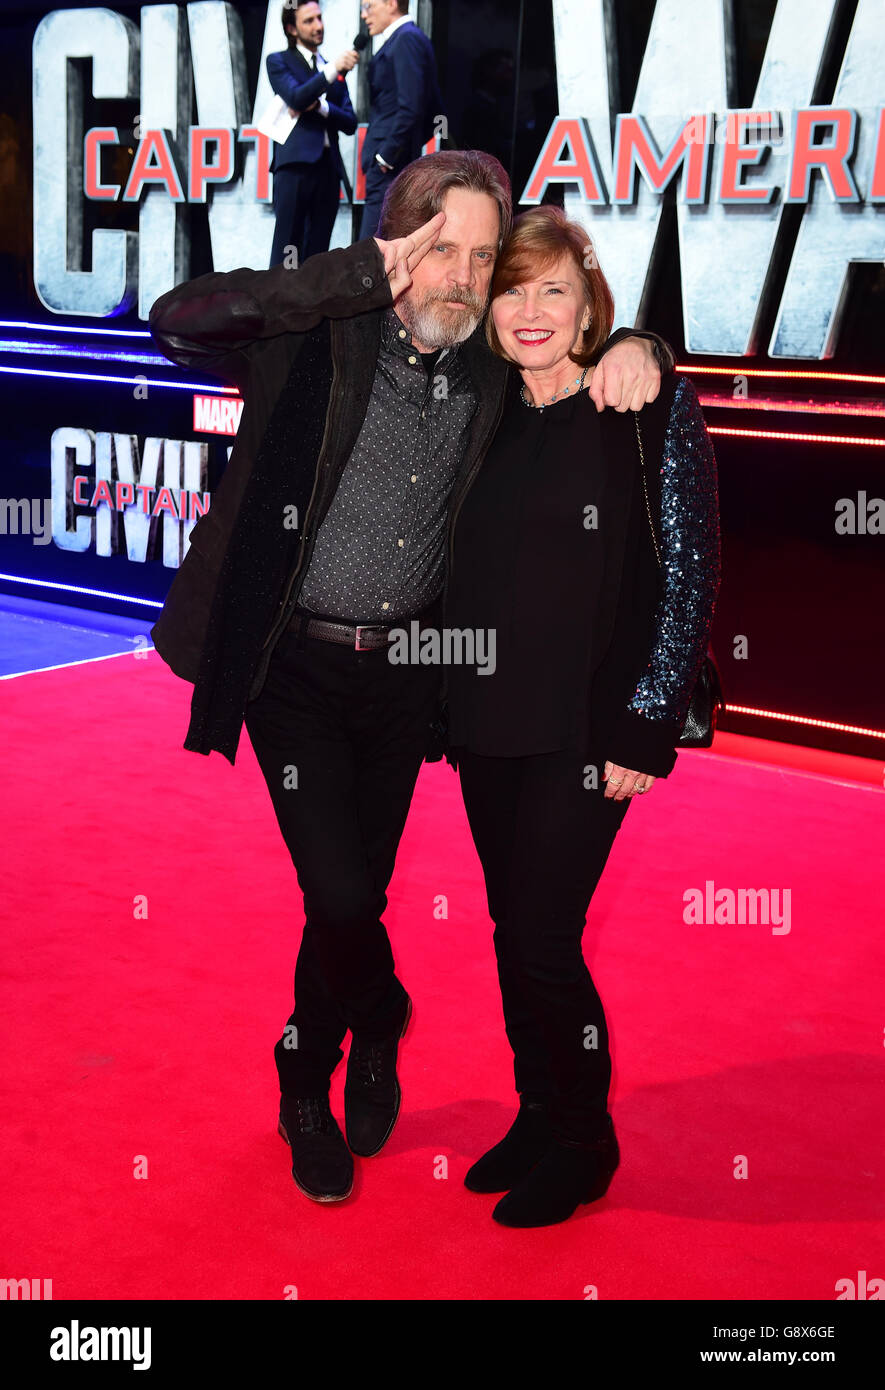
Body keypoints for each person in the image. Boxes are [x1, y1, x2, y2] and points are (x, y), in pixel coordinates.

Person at [147, 150, 673, 1206]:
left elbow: (570, 343)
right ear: (397, 242)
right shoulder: (315, 334)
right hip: (293, 667)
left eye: (482, 257)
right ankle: (339, 1046)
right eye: (444, 251)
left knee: (356, 898)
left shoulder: (487, 366)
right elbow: (178, 319)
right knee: (339, 892)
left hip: (408, 679)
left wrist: (641, 345)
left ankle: (334, 1061)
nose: (465, 279)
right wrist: (351, 275)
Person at [443, 205, 721, 1227]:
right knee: (510, 928)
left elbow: (689, 574)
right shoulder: (479, 408)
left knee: (544, 938)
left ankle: (584, 1139)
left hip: (587, 730)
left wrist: (645, 726)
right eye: (511, 289)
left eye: (553, 289)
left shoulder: (641, 408)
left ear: (588, 304)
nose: (530, 309)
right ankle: (538, 1111)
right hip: (484, 718)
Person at [266, 2, 358, 267]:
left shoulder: (331, 68)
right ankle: (278, 297)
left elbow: (350, 121)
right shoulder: (278, 60)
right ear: (291, 29)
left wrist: (321, 106)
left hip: (328, 169)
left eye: (319, 18)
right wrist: (331, 71)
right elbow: (296, 97)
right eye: (309, 21)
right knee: (286, 250)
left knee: (318, 256)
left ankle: (313, 298)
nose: (318, 26)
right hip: (294, 167)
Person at [358, 0, 443, 239]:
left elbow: (413, 106)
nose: (364, 15)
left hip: (389, 165)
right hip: (390, 163)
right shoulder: (406, 38)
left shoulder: (406, 39)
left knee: (374, 246)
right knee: (383, 242)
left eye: (369, 6)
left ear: (391, 4)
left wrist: (387, 155)